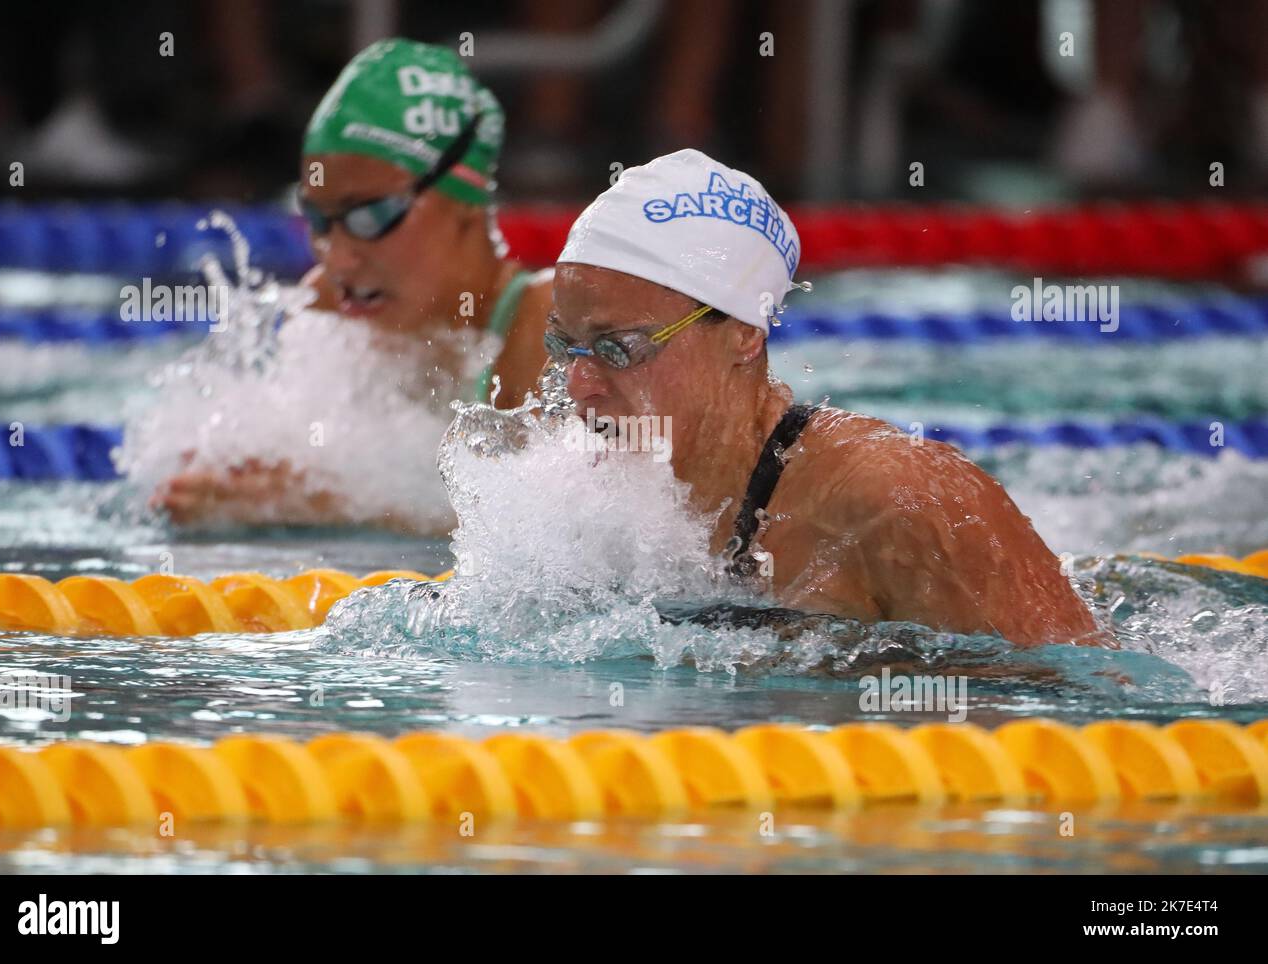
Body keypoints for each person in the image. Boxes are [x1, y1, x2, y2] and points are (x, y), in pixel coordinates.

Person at [546, 149, 1103, 647]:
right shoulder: (599, 500)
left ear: (744, 332)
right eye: (564, 345)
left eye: (618, 347)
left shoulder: (894, 501)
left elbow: (1083, 703)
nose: (578, 384)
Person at [155, 38, 552, 527]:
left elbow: (562, 535)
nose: (337, 259)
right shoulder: (328, 307)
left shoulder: (545, 329)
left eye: (372, 215)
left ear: (466, 199)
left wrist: (331, 505)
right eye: (318, 220)